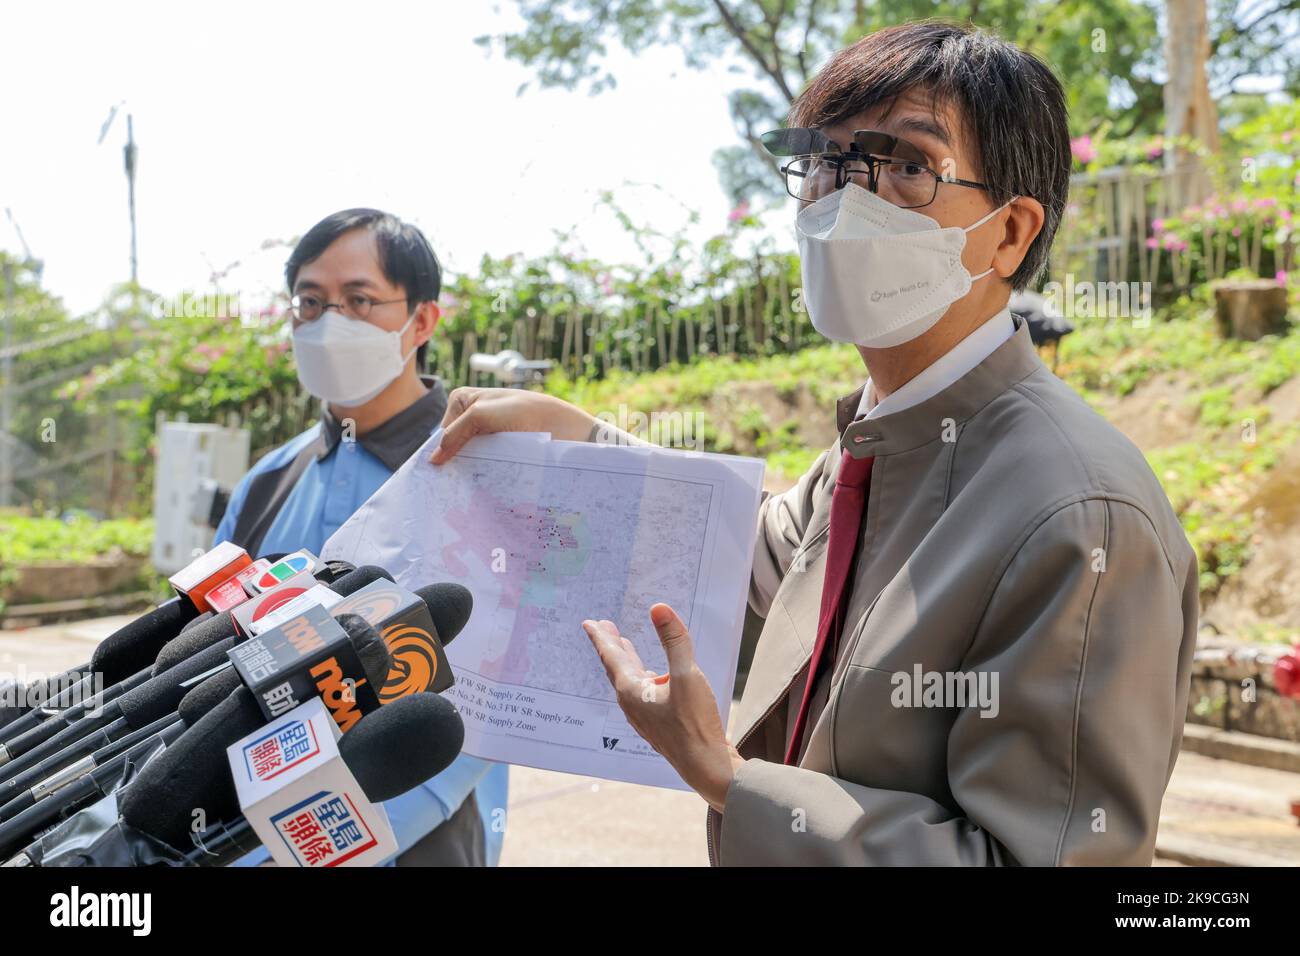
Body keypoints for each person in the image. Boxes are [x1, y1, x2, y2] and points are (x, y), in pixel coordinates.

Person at [428, 23, 1199, 865]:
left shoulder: (1079, 512)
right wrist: (576, 435)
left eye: (906, 165)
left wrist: (731, 780)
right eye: (826, 162)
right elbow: (756, 551)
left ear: (1010, 234)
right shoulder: (886, 437)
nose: (842, 200)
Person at [214, 208, 507, 866]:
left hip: (423, 839)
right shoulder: (266, 484)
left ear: (423, 320)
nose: (328, 323)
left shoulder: (487, 476)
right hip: (233, 834)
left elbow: (492, 706)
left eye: (358, 300)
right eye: (310, 302)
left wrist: (301, 848)